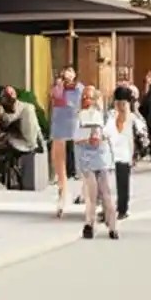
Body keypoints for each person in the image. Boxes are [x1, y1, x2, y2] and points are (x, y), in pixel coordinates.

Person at [74, 88, 119, 240]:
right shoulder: (83, 115)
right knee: (95, 192)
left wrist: (93, 136)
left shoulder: (101, 115)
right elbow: (76, 136)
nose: (87, 99)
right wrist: (92, 137)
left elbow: (108, 134)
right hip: (92, 155)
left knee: (101, 192)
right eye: (85, 96)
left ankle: (106, 225)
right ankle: (95, 225)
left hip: (97, 154)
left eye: (89, 97)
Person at [49, 66, 85, 218]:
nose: (68, 74)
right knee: (58, 156)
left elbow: (83, 104)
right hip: (59, 121)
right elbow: (54, 98)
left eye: (71, 71)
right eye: (65, 71)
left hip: (75, 121)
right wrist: (59, 86)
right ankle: (62, 189)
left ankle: (85, 188)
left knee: (81, 155)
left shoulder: (80, 88)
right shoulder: (58, 87)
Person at [108, 87, 139, 220]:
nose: (121, 105)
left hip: (117, 151)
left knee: (117, 182)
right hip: (118, 151)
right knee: (118, 182)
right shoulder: (130, 117)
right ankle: (119, 208)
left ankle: (118, 208)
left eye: (123, 103)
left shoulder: (127, 117)